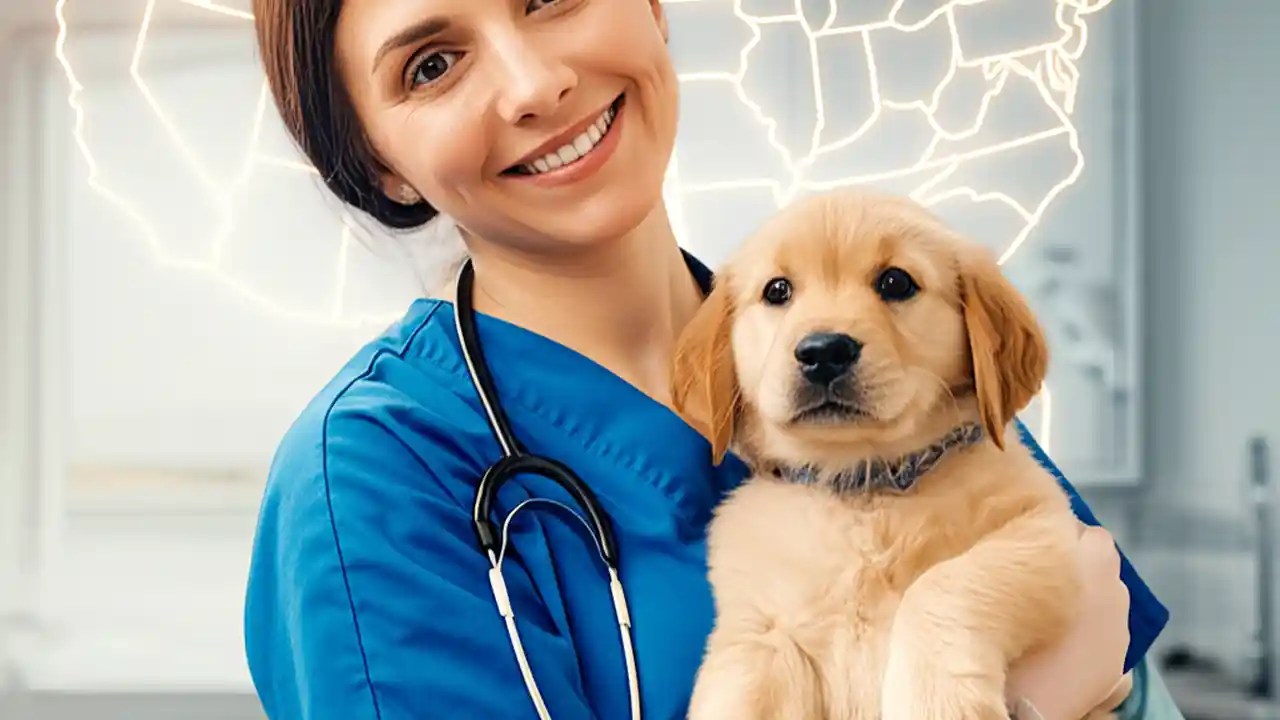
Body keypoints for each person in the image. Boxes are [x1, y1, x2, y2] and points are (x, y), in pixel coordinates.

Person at [242, 0, 1176, 718]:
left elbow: (1134, 681)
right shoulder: (372, 477)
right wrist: (1028, 702)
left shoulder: (918, 383)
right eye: (433, 64)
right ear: (376, 162)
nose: (532, 84)